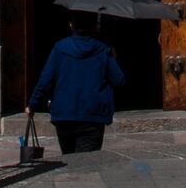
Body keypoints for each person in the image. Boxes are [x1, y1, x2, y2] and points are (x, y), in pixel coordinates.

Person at [27, 13, 124, 154]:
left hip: (64, 113)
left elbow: (46, 79)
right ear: (94, 27)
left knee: (69, 160)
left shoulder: (60, 48)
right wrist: (113, 57)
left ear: (71, 25)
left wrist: (32, 104)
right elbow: (119, 80)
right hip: (92, 114)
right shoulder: (104, 49)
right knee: (87, 164)